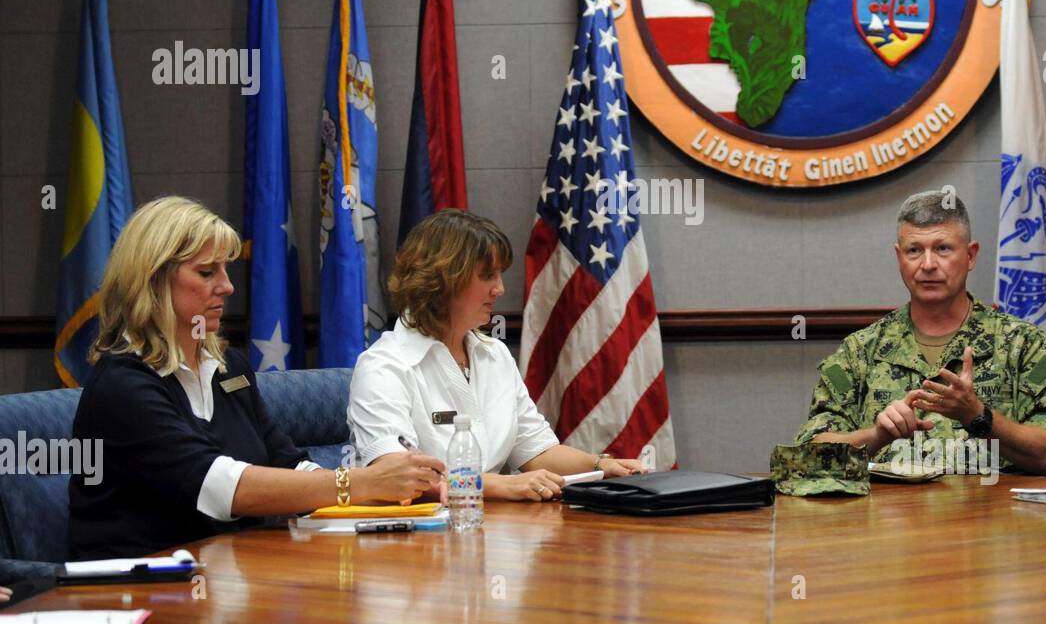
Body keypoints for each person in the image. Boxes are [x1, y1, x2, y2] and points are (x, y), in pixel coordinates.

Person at [68, 197, 442, 561]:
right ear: (153, 280)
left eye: (225, 270)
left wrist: (387, 495)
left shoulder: (229, 367)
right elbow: (219, 488)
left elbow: (287, 462)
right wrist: (361, 483)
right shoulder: (123, 385)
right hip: (137, 590)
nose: (228, 287)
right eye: (206, 272)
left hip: (226, 573)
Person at [771, 190, 1046, 495]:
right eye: (914, 250)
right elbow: (805, 460)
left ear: (970, 256)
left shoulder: (1022, 345)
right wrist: (878, 435)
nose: (928, 264)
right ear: (899, 257)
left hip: (990, 528)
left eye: (943, 249)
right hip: (886, 530)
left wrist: (978, 416)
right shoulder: (860, 352)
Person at [348, 209, 646, 501]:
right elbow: (400, 477)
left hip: (489, 528)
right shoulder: (383, 367)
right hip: (416, 540)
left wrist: (601, 466)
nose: (500, 289)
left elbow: (537, 451)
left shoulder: (495, 354)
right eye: (488, 276)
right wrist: (501, 485)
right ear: (444, 279)